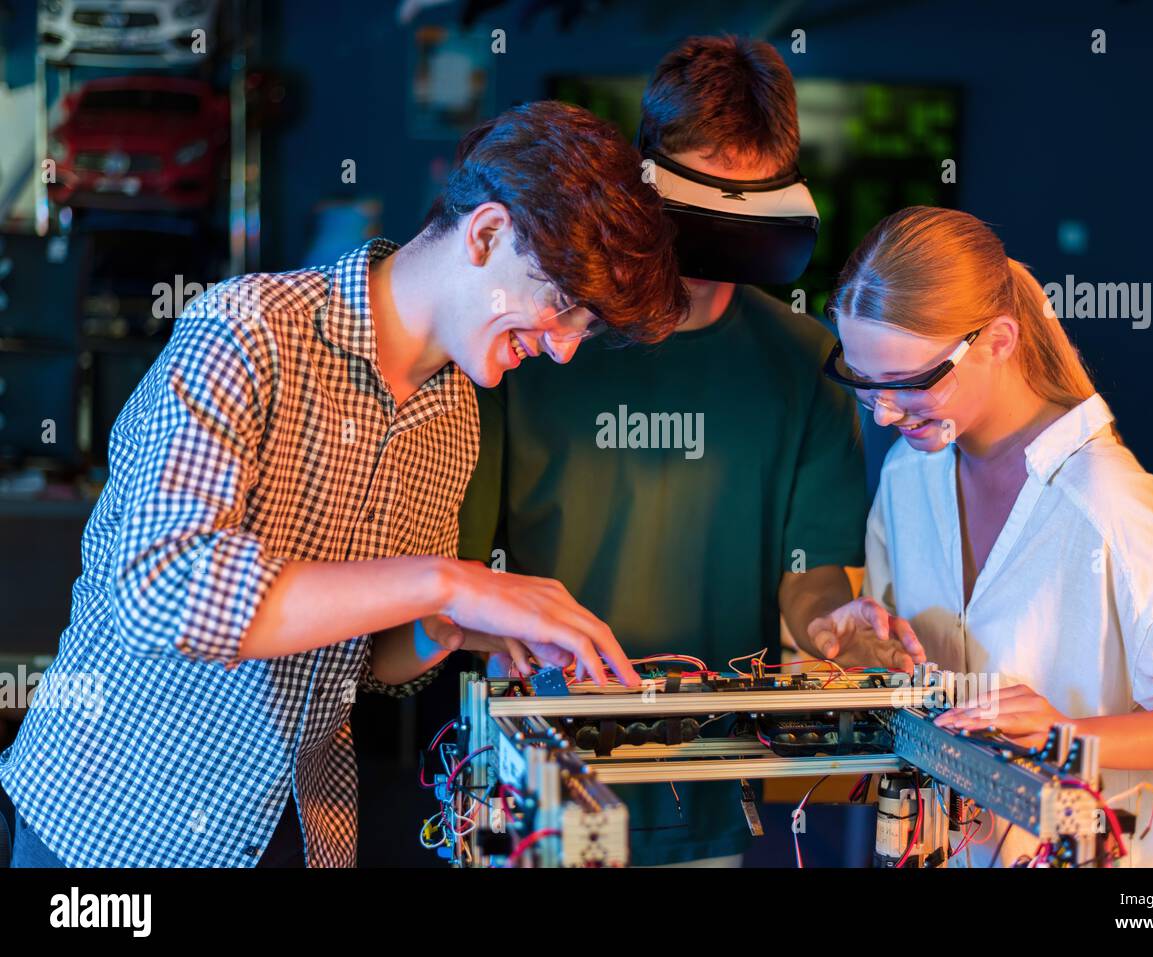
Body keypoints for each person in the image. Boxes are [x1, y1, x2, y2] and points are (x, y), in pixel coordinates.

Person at [0, 101, 688, 868]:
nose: (562, 350)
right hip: (119, 832)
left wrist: (460, 624)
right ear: (487, 233)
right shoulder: (247, 329)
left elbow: (372, 662)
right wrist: (449, 582)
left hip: (300, 831)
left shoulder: (454, 411)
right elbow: (164, 588)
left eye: (583, 328)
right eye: (562, 306)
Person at [459, 36, 868, 866]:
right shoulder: (529, 343)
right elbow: (457, 580)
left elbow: (812, 581)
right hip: (531, 777)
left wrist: (842, 630)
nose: (715, 263)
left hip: (705, 787)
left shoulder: (805, 365)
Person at [805, 205, 1153, 866]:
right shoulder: (909, 475)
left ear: (999, 339)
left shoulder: (1107, 503)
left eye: (909, 383)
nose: (886, 413)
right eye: (864, 385)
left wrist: (1067, 734)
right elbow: (916, 675)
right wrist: (870, 645)